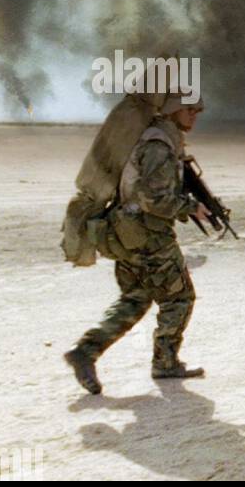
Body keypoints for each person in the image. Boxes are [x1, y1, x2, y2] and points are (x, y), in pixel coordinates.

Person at [63, 95, 209, 394]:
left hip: (126, 231)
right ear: (172, 109)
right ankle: (165, 362)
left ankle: (86, 351)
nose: (194, 115)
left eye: (198, 111)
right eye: (189, 109)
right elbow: (154, 199)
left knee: (136, 298)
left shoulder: (155, 137)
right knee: (179, 298)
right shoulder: (159, 144)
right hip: (148, 235)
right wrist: (189, 207)